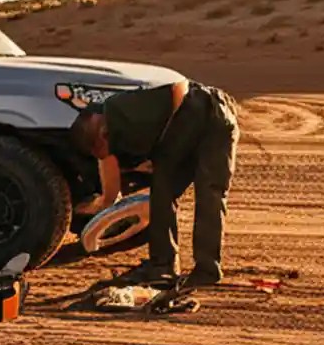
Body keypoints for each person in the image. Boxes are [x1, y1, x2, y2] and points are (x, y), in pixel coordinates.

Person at [69, 78, 239, 288]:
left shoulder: (124, 110)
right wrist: (101, 205)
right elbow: (109, 178)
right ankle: (162, 266)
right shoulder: (106, 132)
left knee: (209, 194)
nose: (104, 157)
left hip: (212, 118)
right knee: (161, 194)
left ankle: (207, 270)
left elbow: (178, 87)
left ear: (102, 137)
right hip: (177, 140)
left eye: (100, 151)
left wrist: (167, 137)